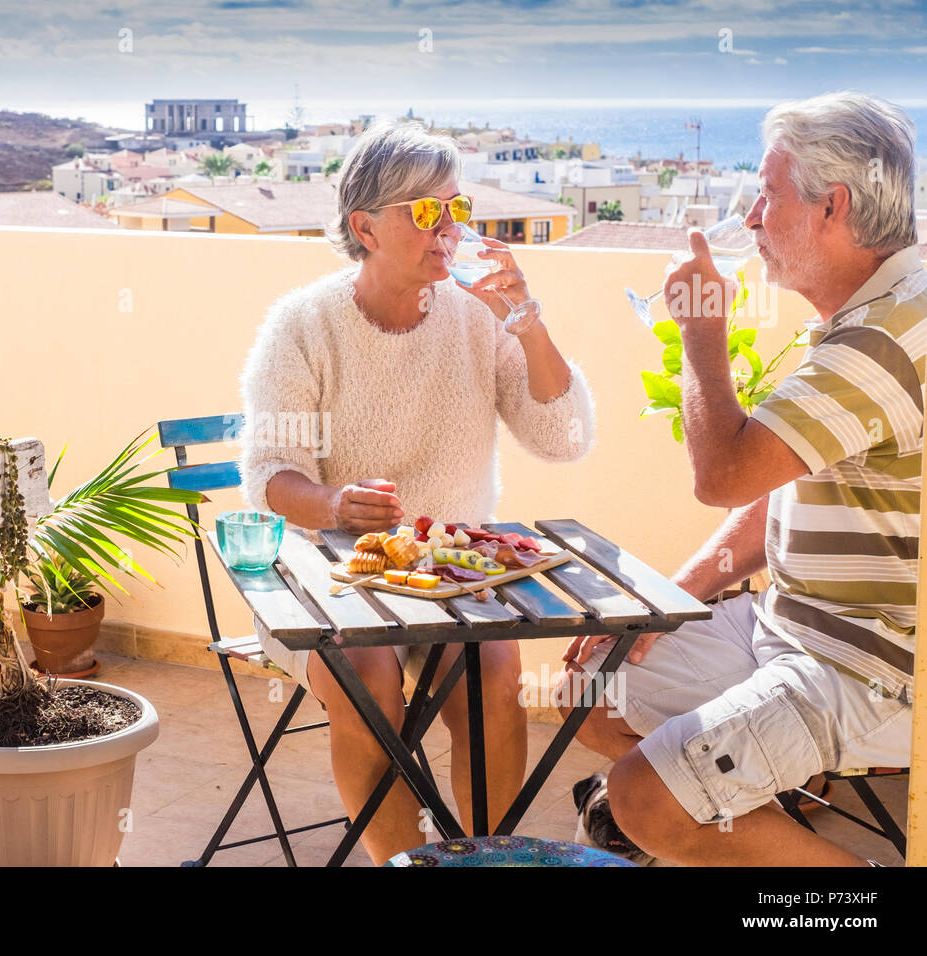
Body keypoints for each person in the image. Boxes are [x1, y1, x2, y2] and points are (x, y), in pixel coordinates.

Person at [558, 91, 924, 866]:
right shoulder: (868, 315)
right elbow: (775, 489)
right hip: (789, 624)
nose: (752, 217)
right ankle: (739, 809)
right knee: (587, 685)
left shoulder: (886, 342)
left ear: (834, 207)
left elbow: (723, 474)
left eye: (768, 194)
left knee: (642, 797)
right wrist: (671, 600)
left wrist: (699, 334)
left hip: (868, 664)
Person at [239, 120, 594, 864]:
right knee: (369, 688)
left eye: (456, 210)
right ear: (365, 227)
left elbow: (563, 439)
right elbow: (269, 477)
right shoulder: (302, 324)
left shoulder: (478, 315)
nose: (449, 230)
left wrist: (527, 324)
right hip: (334, 574)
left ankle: (483, 860)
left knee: (493, 684)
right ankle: (400, 862)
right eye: (427, 212)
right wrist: (335, 507)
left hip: (454, 573)